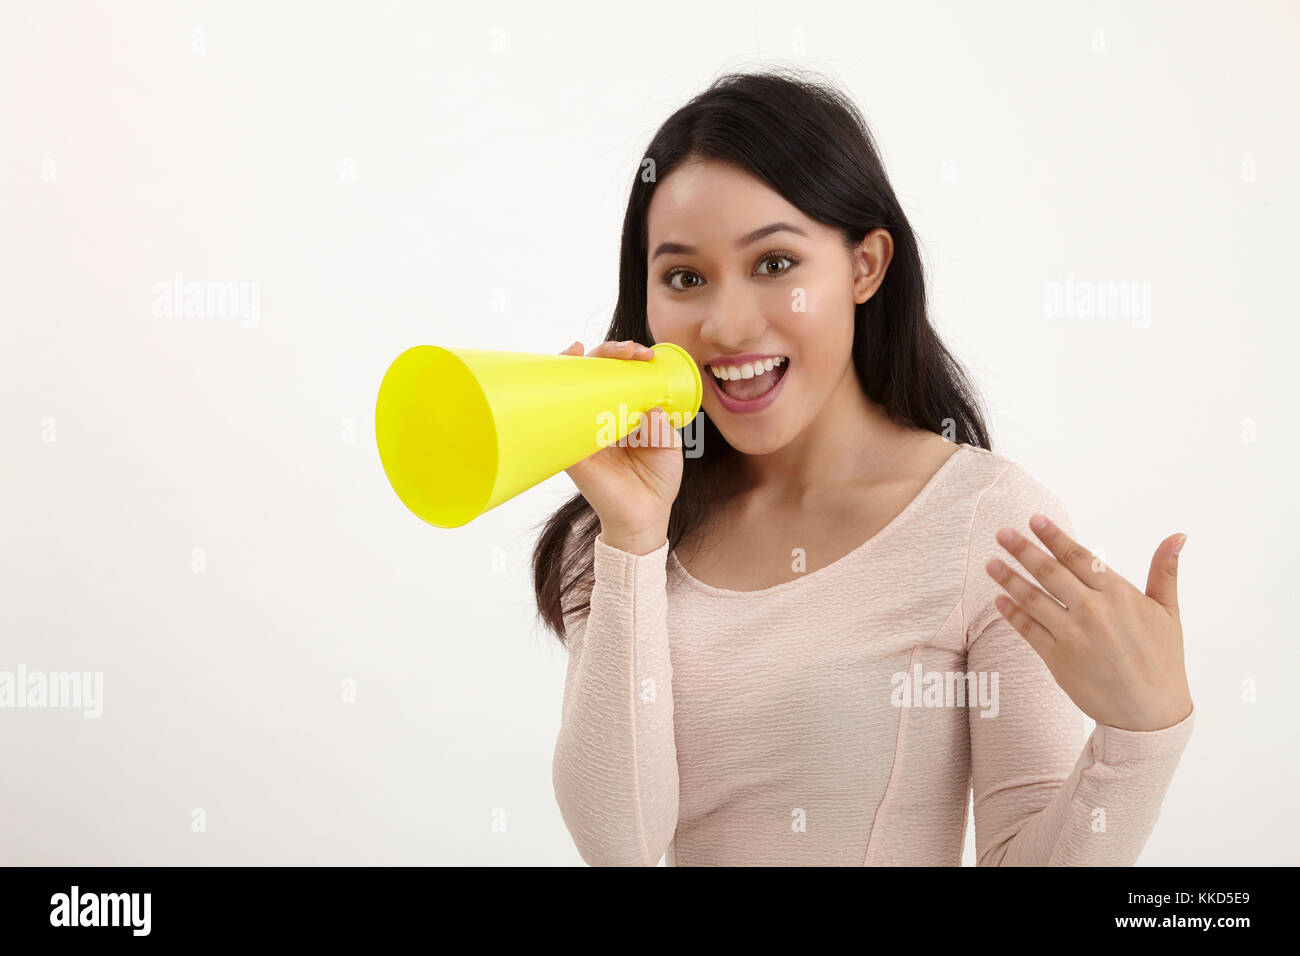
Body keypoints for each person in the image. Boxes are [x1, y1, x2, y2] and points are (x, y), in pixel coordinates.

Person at [531, 67, 1194, 866]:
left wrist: (1140, 738)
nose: (727, 323)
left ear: (864, 267)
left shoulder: (984, 522)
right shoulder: (614, 536)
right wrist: (632, 538)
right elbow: (621, 846)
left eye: (774, 264)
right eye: (683, 277)